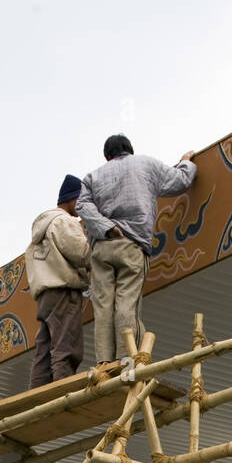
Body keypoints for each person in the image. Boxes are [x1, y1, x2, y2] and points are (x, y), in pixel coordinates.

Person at [76, 135, 197, 364]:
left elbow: (81, 205)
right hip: (132, 243)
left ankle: (104, 362)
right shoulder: (145, 164)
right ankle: (126, 358)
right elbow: (180, 181)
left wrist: (106, 227)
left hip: (101, 247)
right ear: (130, 150)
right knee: (127, 303)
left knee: (103, 306)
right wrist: (186, 161)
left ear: (107, 156)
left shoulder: (92, 177)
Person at [25, 175, 91, 387]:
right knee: (66, 347)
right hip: (64, 291)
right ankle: (62, 397)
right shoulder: (64, 221)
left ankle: (37, 399)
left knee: (44, 351)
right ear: (73, 200)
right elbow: (82, 253)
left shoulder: (41, 228)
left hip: (45, 295)